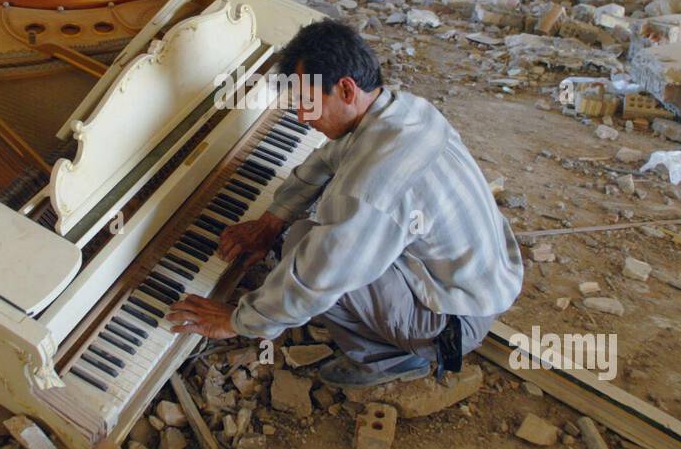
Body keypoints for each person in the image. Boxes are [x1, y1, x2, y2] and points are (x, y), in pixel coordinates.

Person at [167, 20, 524, 387]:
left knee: (304, 246)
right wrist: (272, 219)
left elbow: (315, 281)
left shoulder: (374, 184)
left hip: (453, 324)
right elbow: (326, 159)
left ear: (347, 89)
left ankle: (391, 361)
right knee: (308, 231)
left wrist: (236, 321)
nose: (303, 117)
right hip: (489, 279)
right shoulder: (402, 109)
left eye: (309, 103)